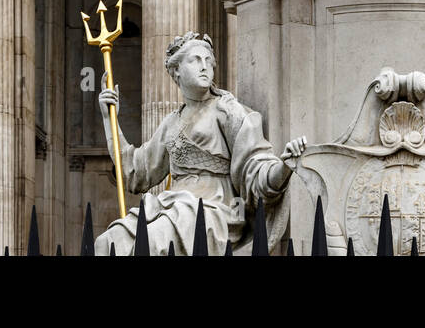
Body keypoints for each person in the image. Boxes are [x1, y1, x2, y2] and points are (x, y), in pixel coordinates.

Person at [94, 32, 307, 255]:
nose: (204, 67)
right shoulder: (171, 123)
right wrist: (110, 120)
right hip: (171, 207)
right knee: (106, 242)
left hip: (211, 210)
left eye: (208, 61)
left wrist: (283, 168)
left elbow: (256, 166)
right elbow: (136, 172)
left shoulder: (227, 110)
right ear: (176, 71)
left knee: (152, 242)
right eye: (195, 60)